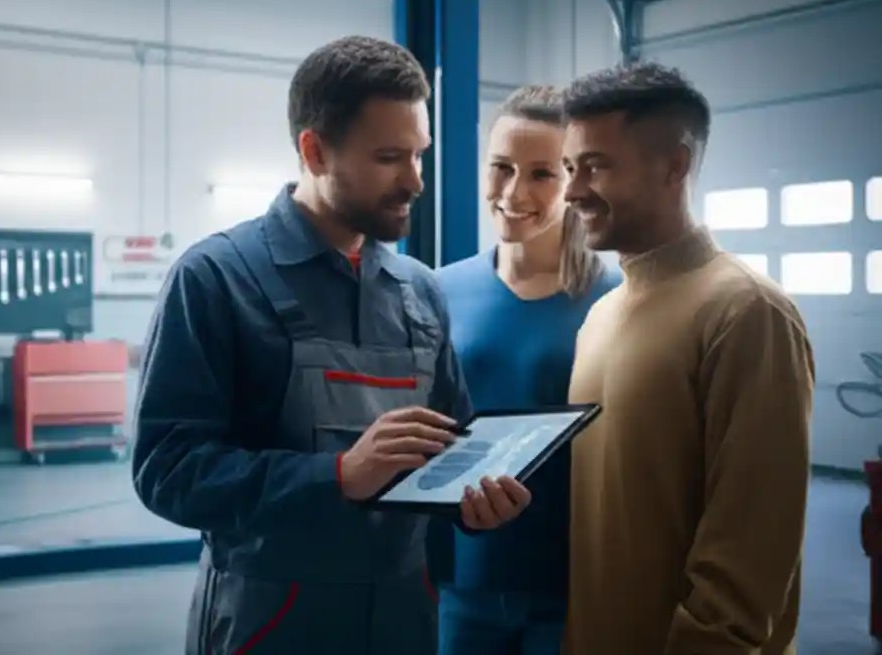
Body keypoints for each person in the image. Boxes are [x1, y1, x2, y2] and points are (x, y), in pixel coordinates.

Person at [131, 35, 532, 655]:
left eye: (419, 155)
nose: (415, 181)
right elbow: (167, 470)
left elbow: (452, 448)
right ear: (314, 151)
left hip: (403, 619)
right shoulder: (215, 279)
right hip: (269, 622)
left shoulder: (420, 292)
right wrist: (337, 475)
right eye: (390, 158)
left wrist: (473, 500)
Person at [560, 62, 815, 654]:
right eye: (571, 167)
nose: (571, 191)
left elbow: (752, 542)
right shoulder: (601, 315)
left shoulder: (747, 312)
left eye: (595, 165)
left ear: (673, 166)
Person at [430, 85, 621, 655]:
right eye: (502, 168)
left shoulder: (616, 298)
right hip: (462, 579)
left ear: (574, 182)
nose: (515, 192)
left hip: (575, 583)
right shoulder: (436, 290)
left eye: (543, 173)